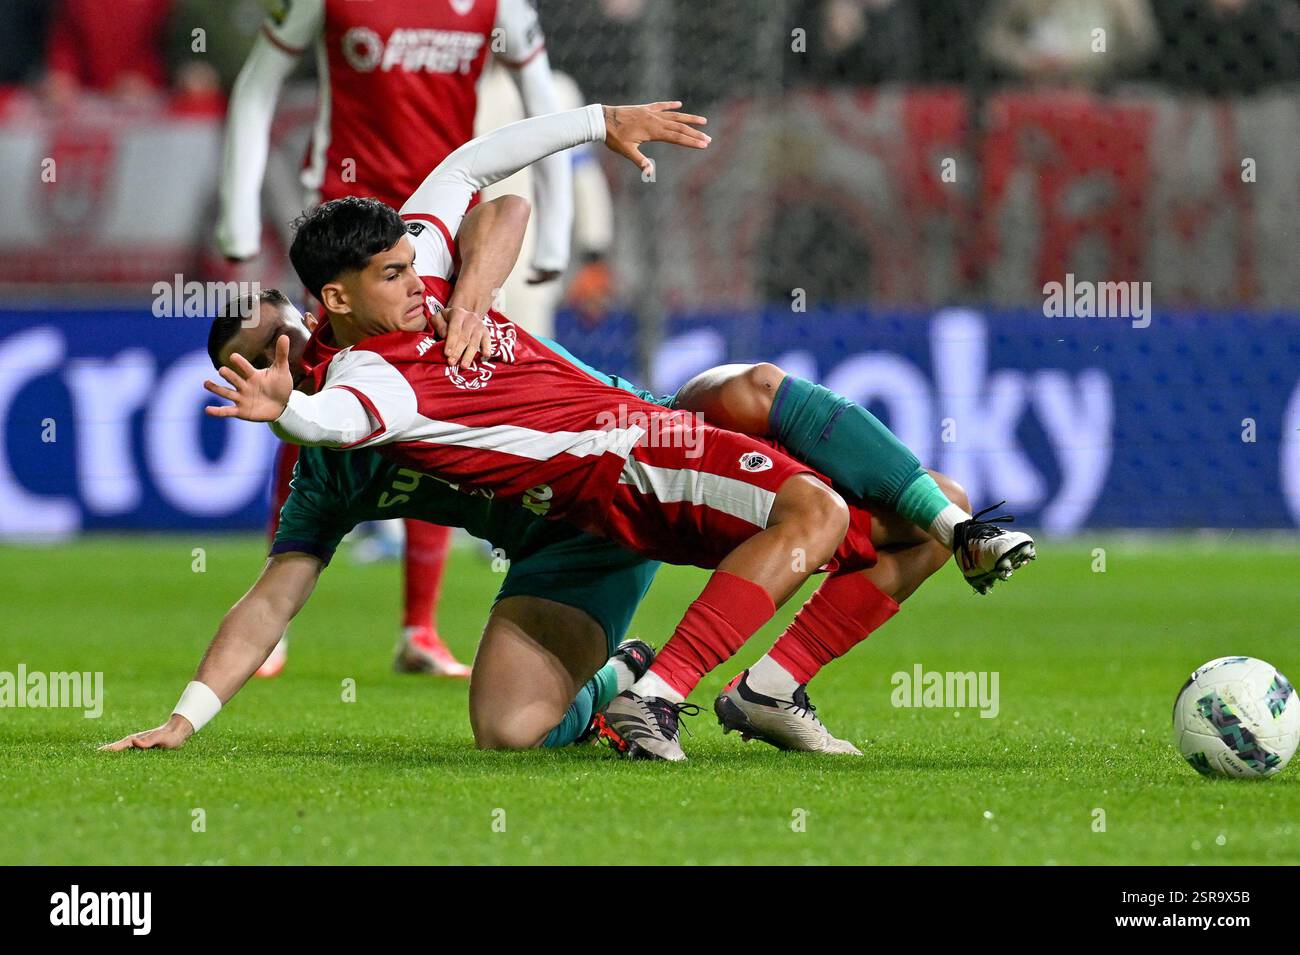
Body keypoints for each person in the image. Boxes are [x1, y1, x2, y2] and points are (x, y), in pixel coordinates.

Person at [205, 102, 1035, 760]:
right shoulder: (344, 422)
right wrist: (187, 715)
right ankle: (644, 676)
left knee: (753, 396)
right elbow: (288, 556)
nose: (283, 357)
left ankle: (729, 674)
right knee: (507, 731)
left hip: (633, 443)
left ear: (316, 311)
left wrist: (478, 288)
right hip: (567, 537)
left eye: (284, 336)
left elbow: (496, 196)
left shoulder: (413, 287)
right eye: (261, 361)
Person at [216, 0, 575, 678]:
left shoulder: (498, 4)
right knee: (305, 399)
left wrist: (554, 232)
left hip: (435, 231)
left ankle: (421, 627)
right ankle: (275, 622)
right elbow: (259, 79)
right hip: (343, 238)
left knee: (440, 408)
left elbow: (541, 98)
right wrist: (237, 220)